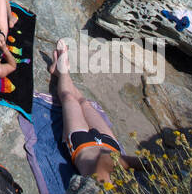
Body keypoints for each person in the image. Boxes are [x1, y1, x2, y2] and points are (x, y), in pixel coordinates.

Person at [49, 39, 141, 182]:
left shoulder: (101, 187)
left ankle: (63, 70)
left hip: (81, 144)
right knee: (84, 103)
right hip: (110, 145)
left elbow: (105, 160)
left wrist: (147, 164)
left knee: (69, 99)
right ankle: (61, 72)